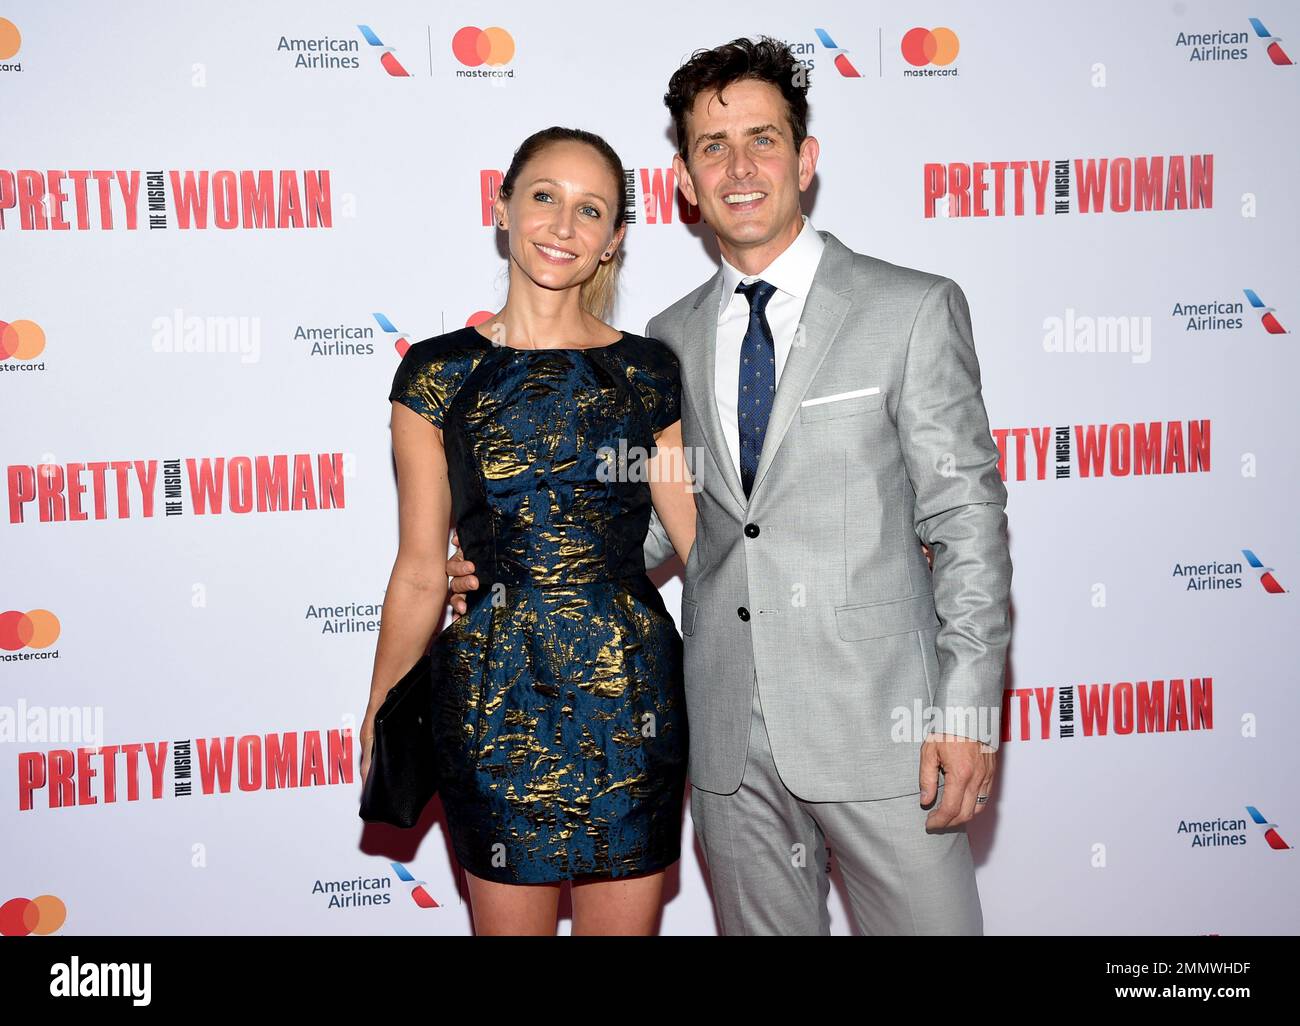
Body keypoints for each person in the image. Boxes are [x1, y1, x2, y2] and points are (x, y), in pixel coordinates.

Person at [449, 38, 1012, 936]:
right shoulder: (661, 343)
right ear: (682, 177)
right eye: (713, 146)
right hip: (722, 745)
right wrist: (516, 553)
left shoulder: (909, 308)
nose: (739, 167)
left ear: (806, 159)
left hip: (885, 735)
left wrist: (967, 712)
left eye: (762, 139)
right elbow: (660, 526)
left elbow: (968, 521)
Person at [361, 126, 698, 936]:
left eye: (592, 211)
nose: (562, 225)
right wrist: (380, 710)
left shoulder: (649, 370)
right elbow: (418, 568)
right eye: (544, 196)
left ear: (614, 240)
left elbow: (702, 546)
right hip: (492, 700)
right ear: (502, 207)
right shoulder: (436, 373)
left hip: (633, 699)